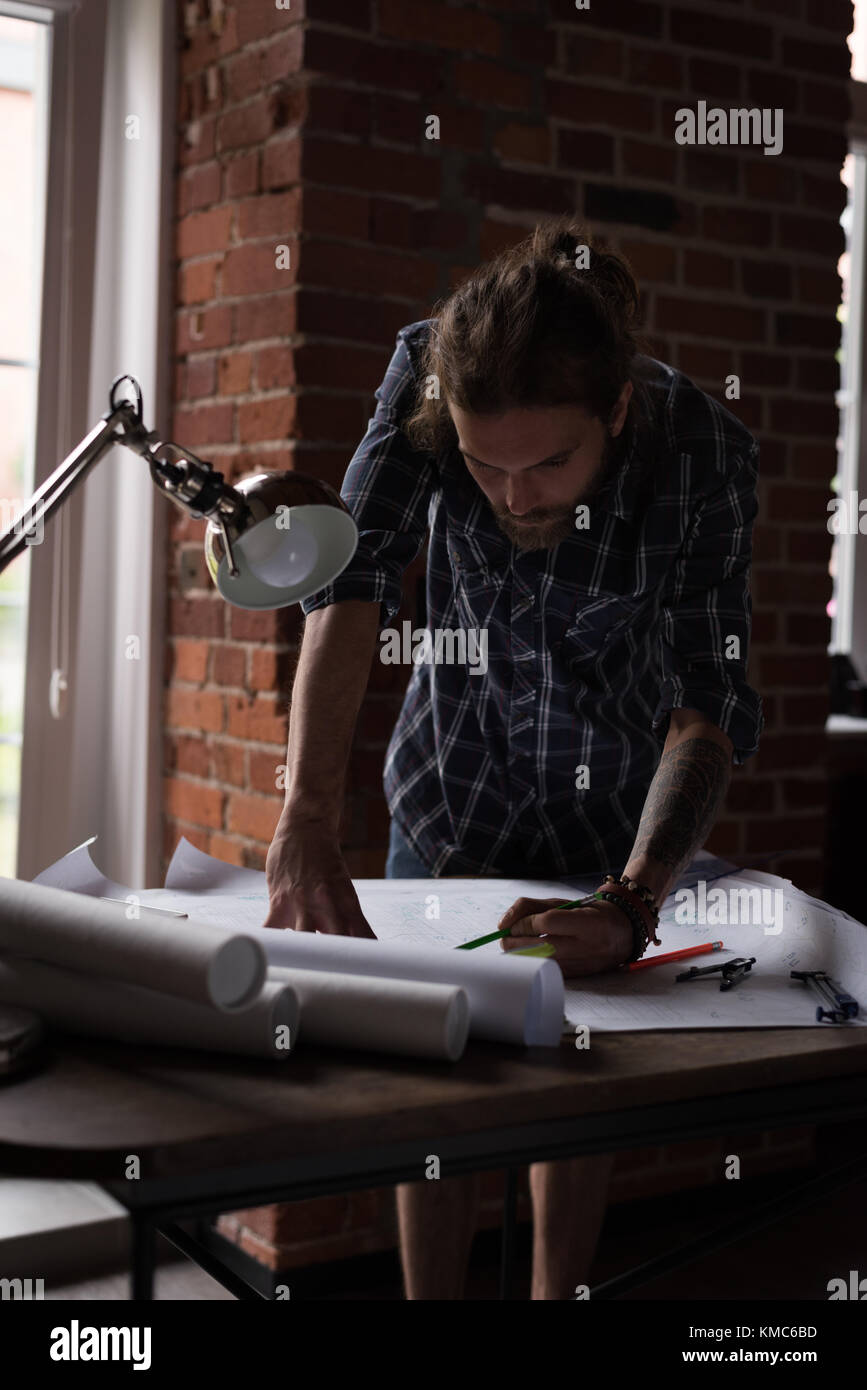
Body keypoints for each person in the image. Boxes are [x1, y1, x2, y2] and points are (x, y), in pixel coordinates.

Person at [263, 215, 763, 1299]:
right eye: (486, 467)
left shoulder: (704, 454)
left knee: (569, 1092)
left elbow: (707, 700)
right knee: (432, 1094)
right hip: (446, 798)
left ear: (616, 413)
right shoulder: (422, 374)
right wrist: (304, 812)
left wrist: (634, 900)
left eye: (548, 463)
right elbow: (349, 580)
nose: (514, 495)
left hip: (606, 831)